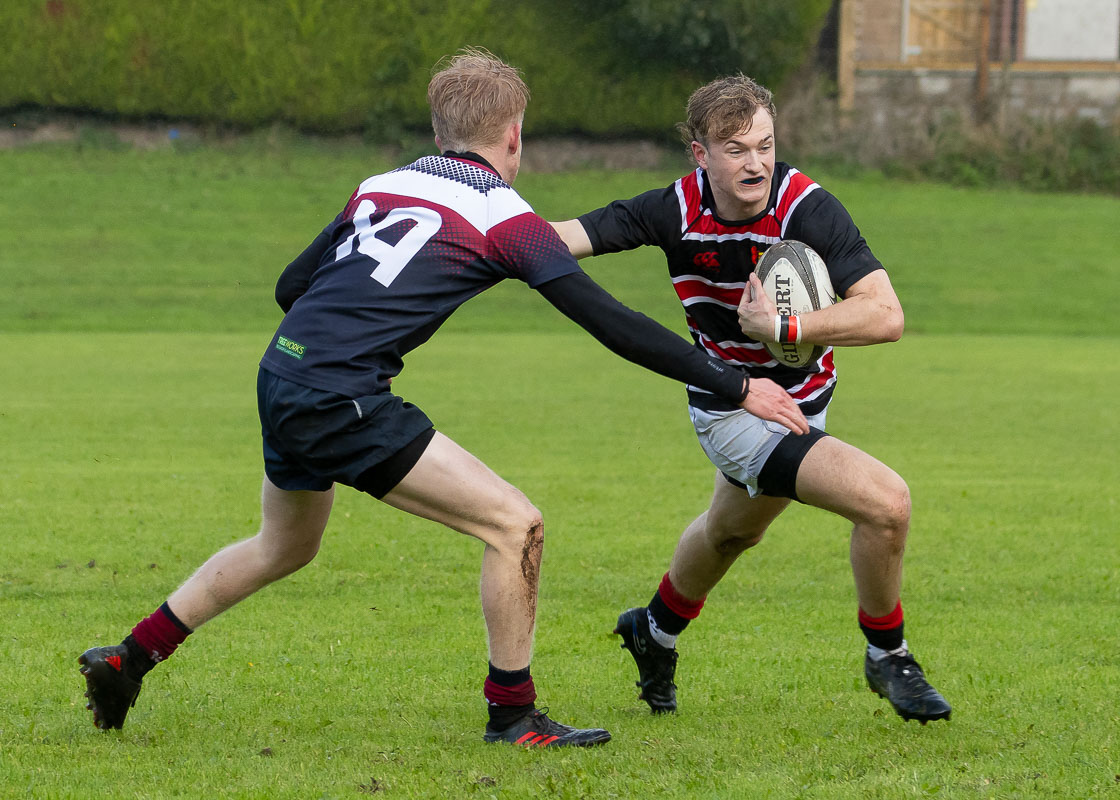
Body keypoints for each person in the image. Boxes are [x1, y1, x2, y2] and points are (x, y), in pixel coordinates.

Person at [77, 50, 810, 748]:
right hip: (340, 396)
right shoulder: (505, 217)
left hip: (283, 374)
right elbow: (611, 323)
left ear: (439, 131)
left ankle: (128, 660)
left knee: (284, 545)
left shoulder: (380, 185)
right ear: (514, 135)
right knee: (514, 527)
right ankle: (514, 718)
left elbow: (288, 289)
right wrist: (736, 384)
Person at [550, 74, 951, 724]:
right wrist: (476, 226)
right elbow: (560, 236)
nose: (756, 161)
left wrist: (788, 329)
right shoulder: (671, 211)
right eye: (735, 148)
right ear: (699, 152)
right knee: (886, 505)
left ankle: (653, 631)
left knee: (731, 533)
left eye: (764, 144)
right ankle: (889, 654)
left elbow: (885, 316)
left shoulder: (806, 208)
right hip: (731, 412)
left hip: (805, 399)